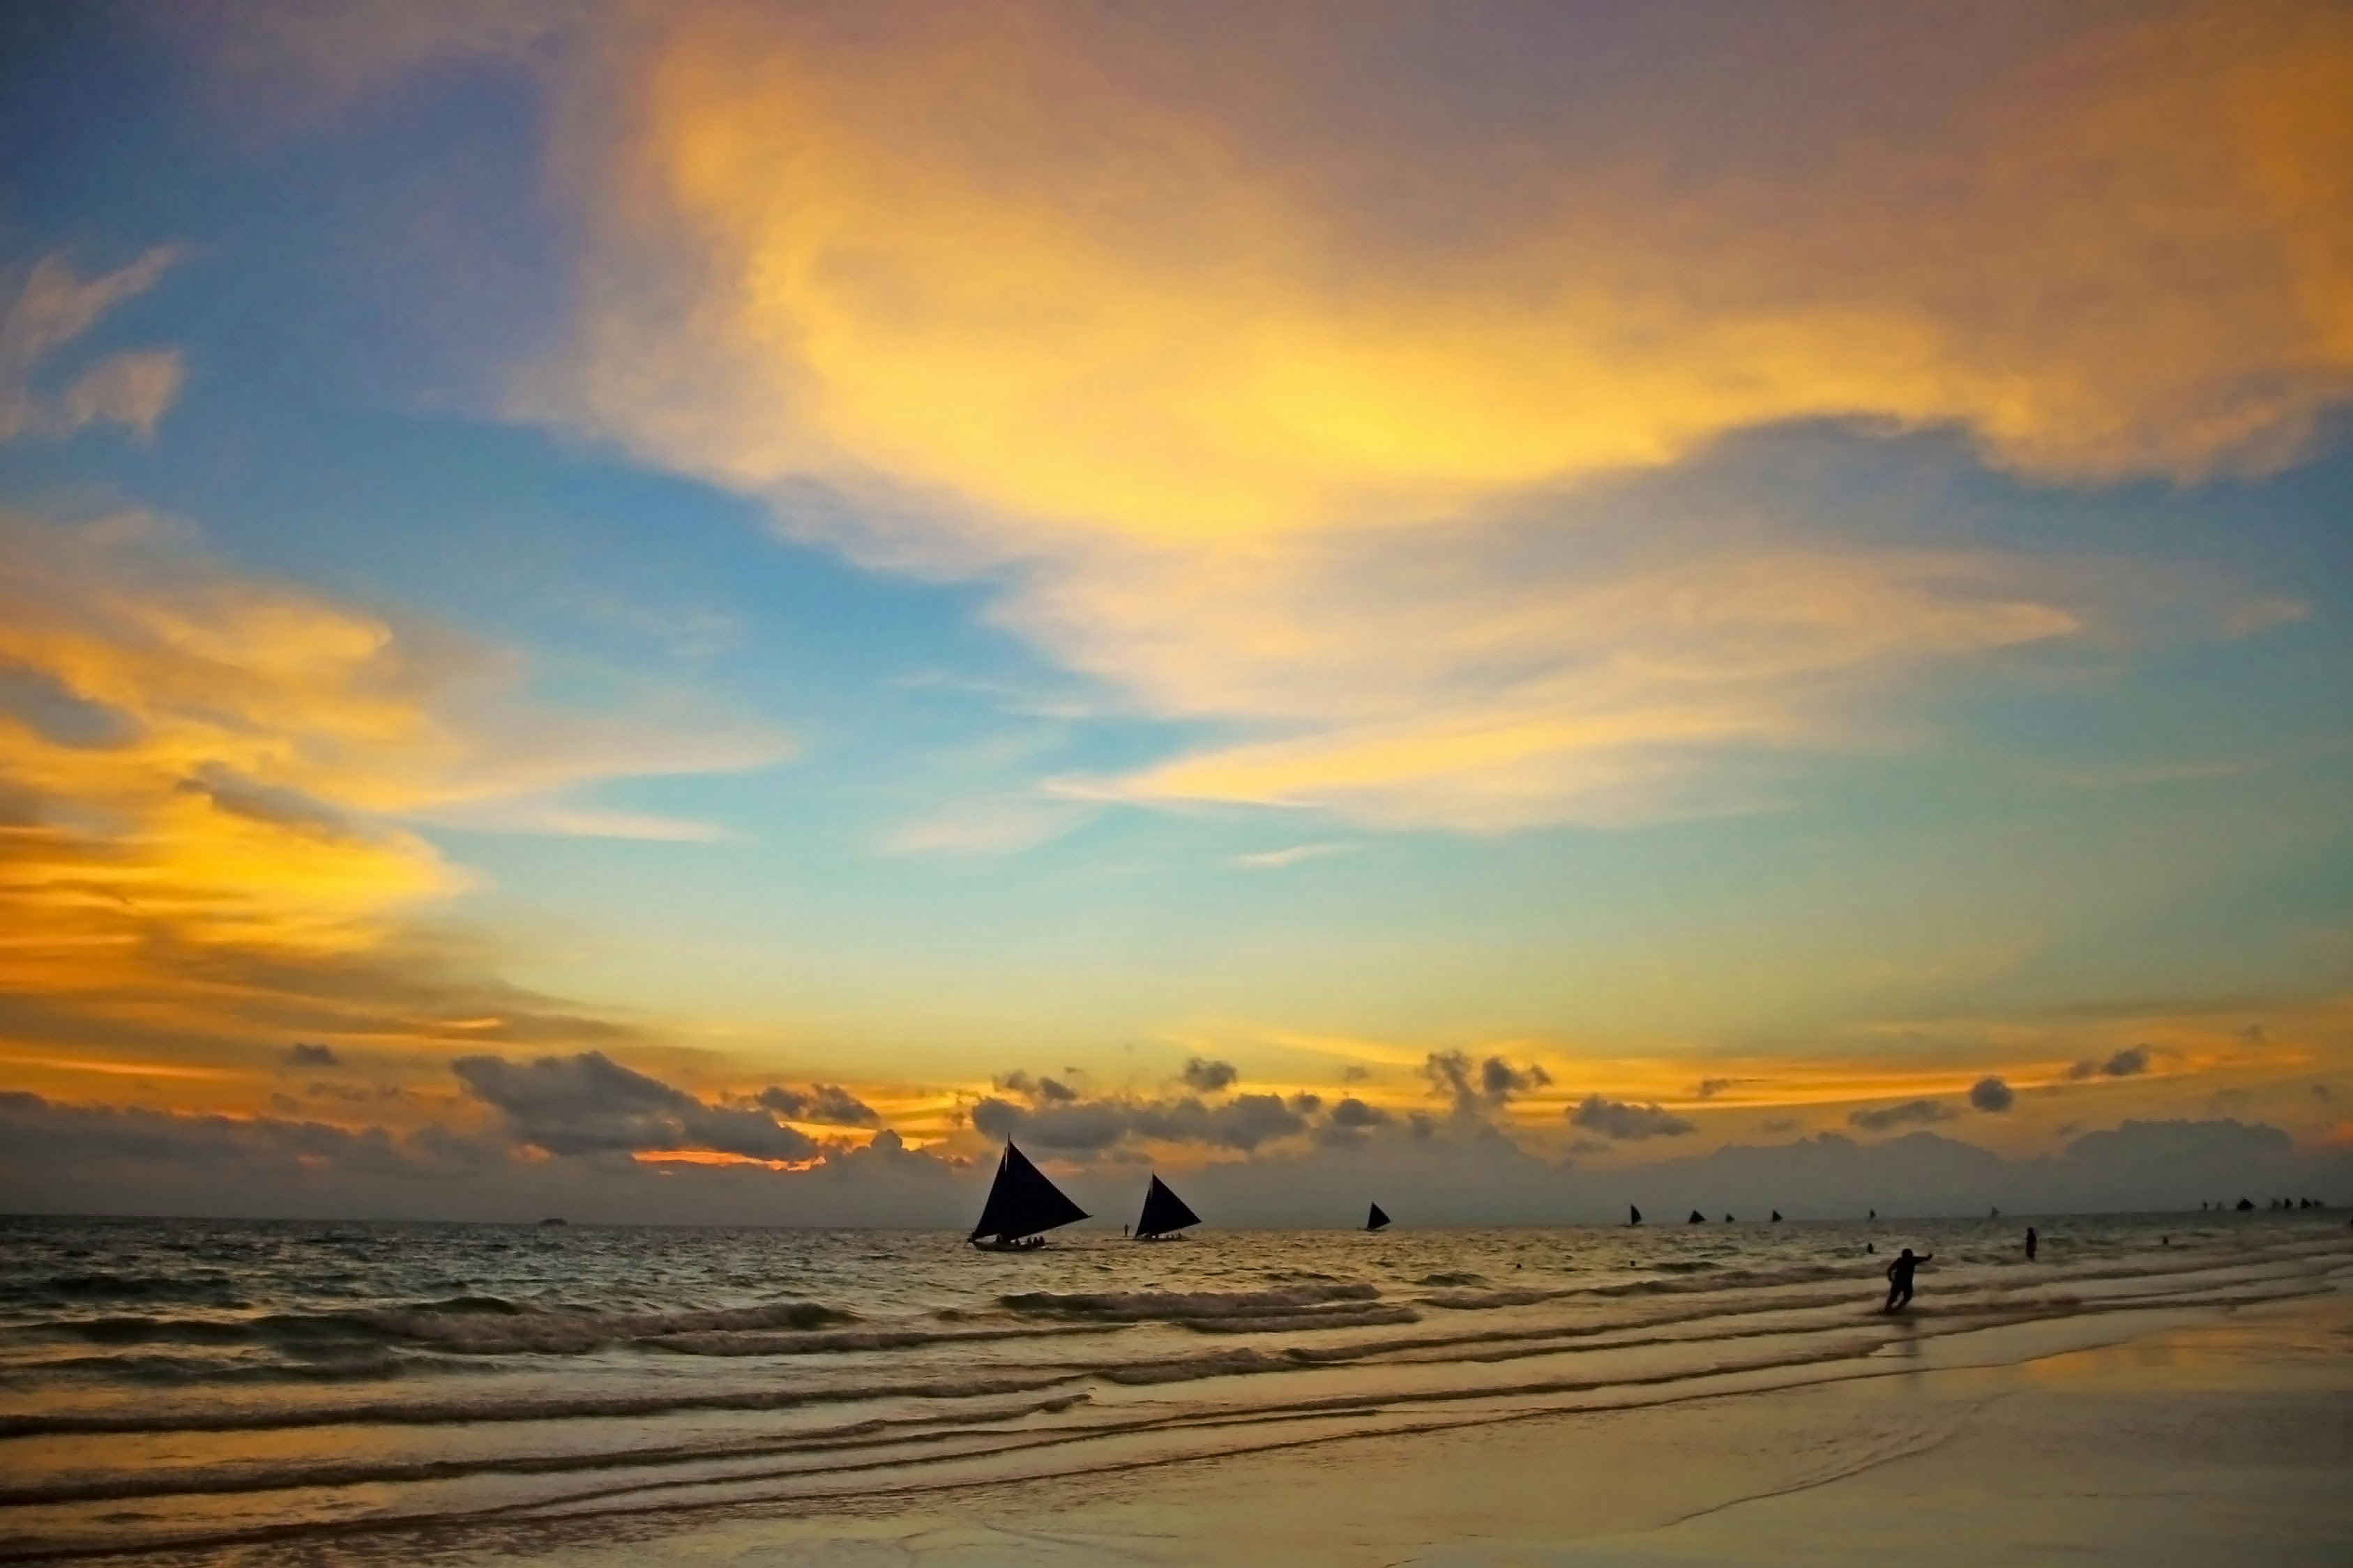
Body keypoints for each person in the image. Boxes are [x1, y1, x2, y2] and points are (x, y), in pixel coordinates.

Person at [1882, 1247, 1932, 1312]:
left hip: (1899, 1282)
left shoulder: (1901, 1260)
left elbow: (1889, 1270)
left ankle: (1892, 1309)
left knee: (1896, 1296)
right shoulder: (1912, 1260)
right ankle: (1896, 1309)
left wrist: (1890, 1278)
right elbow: (1927, 1258)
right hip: (1904, 1283)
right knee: (1905, 1297)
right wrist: (1930, 1255)